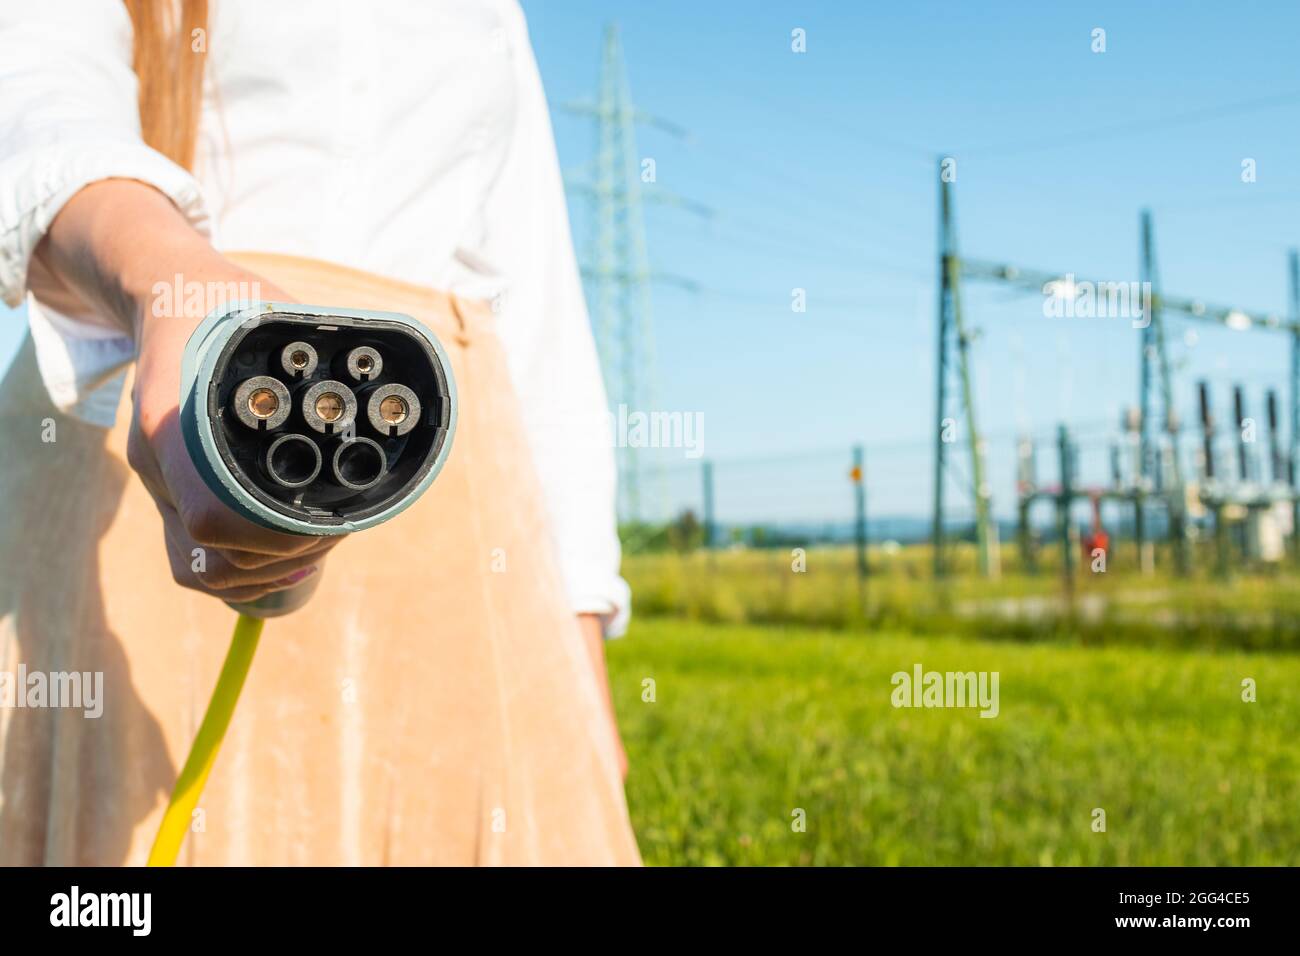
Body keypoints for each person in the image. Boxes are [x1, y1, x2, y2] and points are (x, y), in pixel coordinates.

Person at [0, 0, 639, 865]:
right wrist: (170, 281)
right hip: (149, 423)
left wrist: (577, 651)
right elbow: (39, 102)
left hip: (444, 509)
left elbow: (537, 310)